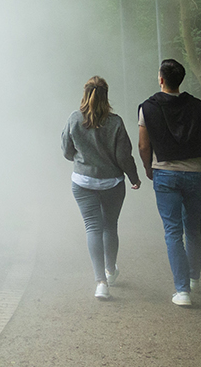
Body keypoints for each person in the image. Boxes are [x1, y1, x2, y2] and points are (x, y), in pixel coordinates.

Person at [137, 58, 201, 307]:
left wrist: (148, 167)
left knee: (173, 231)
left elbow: (143, 145)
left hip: (164, 173)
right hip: (194, 173)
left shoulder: (148, 108)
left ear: (161, 79)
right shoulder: (199, 108)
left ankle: (182, 290)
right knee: (193, 229)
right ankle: (193, 279)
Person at [61, 76, 142, 300]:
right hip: (111, 183)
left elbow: (66, 151)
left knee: (92, 228)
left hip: (83, 182)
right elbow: (123, 156)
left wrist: (82, 159)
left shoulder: (74, 119)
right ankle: (111, 270)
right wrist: (134, 177)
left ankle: (101, 283)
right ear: (106, 96)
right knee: (110, 227)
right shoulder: (115, 122)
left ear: (85, 94)